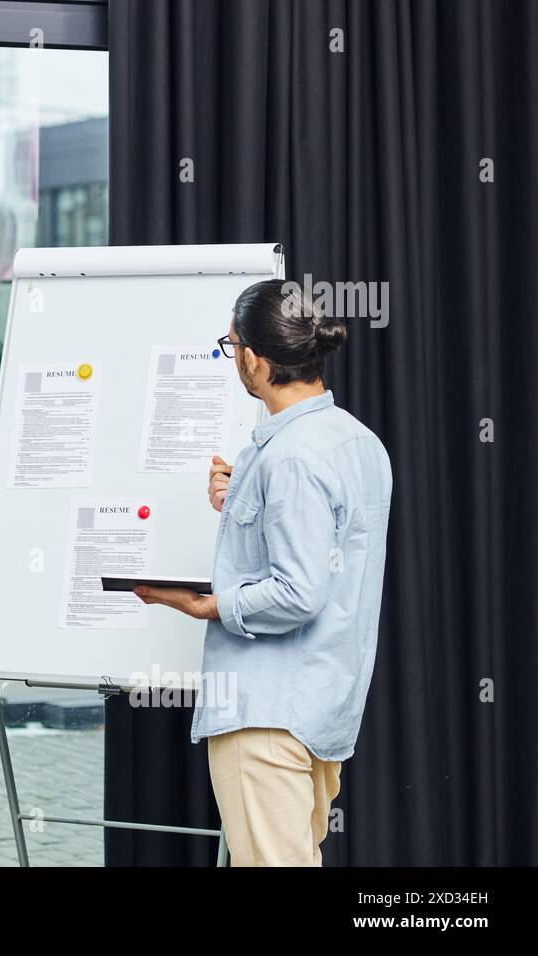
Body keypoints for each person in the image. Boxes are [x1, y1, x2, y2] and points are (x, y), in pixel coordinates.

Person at [134, 279, 393, 866]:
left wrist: (211, 605)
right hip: (322, 704)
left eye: (230, 348)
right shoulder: (358, 443)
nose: (234, 362)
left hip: (268, 713)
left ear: (253, 358)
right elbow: (327, 554)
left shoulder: (293, 457)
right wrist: (241, 501)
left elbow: (300, 592)